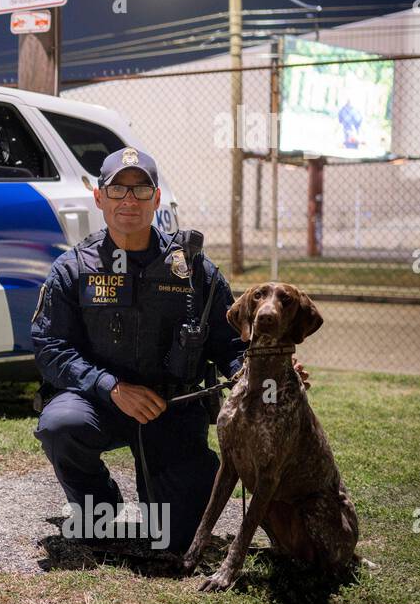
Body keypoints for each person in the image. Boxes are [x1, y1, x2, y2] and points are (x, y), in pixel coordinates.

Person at [29, 147, 306, 555]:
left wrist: (270, 374)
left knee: (174, 540)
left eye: (141, 189)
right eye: (117, 189)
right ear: (99, 197)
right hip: (101, 401)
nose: (129, 200)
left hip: (172, 407)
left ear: (156, 199)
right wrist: (111, 387)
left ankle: (177, 486)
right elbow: (51, 347)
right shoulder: (74, 268)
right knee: (60, 425)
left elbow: (230, 344)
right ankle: (98, 507)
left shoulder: (193, 268)